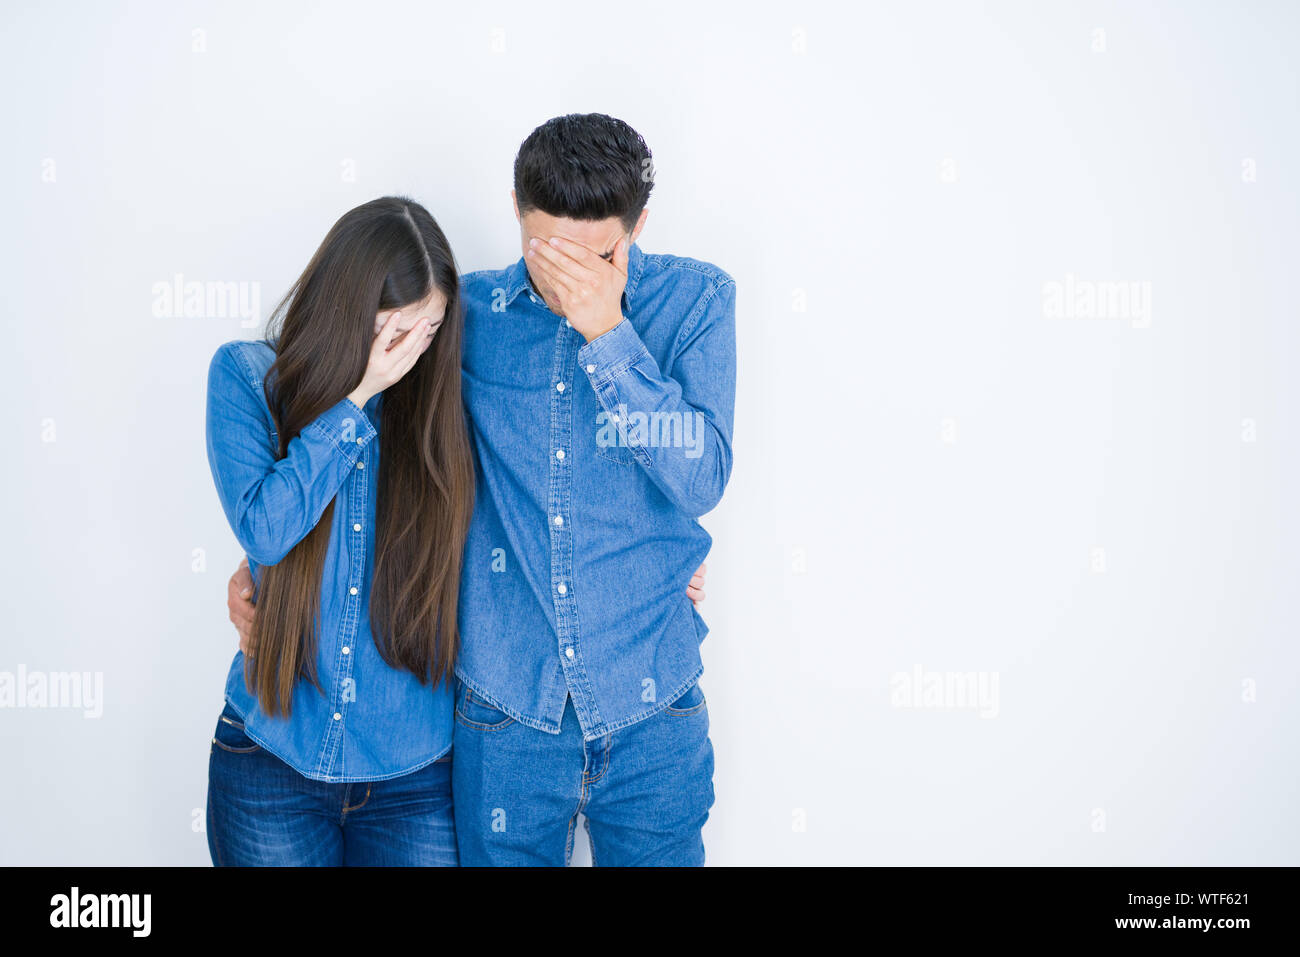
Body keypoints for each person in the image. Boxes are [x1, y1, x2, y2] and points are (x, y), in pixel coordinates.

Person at [227, 113, 732, 866]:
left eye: (597, 257)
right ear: (514, 212)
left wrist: (607, 334)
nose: (570, 280)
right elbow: (379, 449)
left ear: (640, 226)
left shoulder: (695, 302)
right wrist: (264, 567)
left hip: (651, 699)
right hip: (504, 713)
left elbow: (700, 477)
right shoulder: (466, 318)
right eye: (547, 252)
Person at [204, 197, 471, 865]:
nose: (410, 354)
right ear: (348, 305)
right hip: (272, 759)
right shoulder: (245, 377)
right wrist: (355, 396)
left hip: (415, 775)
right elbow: (267, 530)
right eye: (394, 333)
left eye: (429, 332)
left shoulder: (444, 409)